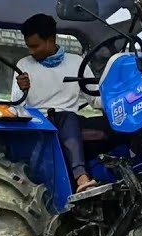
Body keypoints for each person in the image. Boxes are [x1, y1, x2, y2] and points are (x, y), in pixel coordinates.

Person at [10, 13, 100, 192]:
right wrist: (22, 88)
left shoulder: (76, 62)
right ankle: (81, 179)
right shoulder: (24, 65)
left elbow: (96, 99)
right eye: (29, 47)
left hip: (68, 119)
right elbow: (16, 105)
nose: (31, 52)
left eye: (35, 46)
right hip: (38, 121)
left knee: (75, 119)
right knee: (67, 118)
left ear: (52, 39)